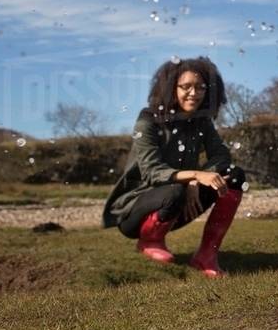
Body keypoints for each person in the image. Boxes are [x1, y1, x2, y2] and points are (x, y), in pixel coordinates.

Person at [103, 56, 247, 278]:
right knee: (174, 189)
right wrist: (195, 175)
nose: (194, 93)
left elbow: (221, 154)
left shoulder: (202, 121)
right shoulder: (148, 120)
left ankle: (206, 255)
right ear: (172, 88)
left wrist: (200, 177)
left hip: (177, 207)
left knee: (235, 176)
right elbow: (152, 172)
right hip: (135, 212)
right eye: (186, 87)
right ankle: (149, 242)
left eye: (200, 87)